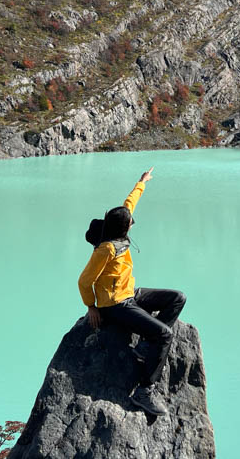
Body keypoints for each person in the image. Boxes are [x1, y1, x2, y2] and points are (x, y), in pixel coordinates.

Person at [77, 167, 186, 417]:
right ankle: (145, 390)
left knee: (177, 298)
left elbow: (129, 203)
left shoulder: (117, 230)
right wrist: (91, 306)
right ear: (123, 227)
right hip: (115, 304)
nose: (132, 222)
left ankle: (145, 346)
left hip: (129, 293)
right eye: (129, 222)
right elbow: (84, 281)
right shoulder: (106, 249)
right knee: (165, 334)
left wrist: (142, 182)